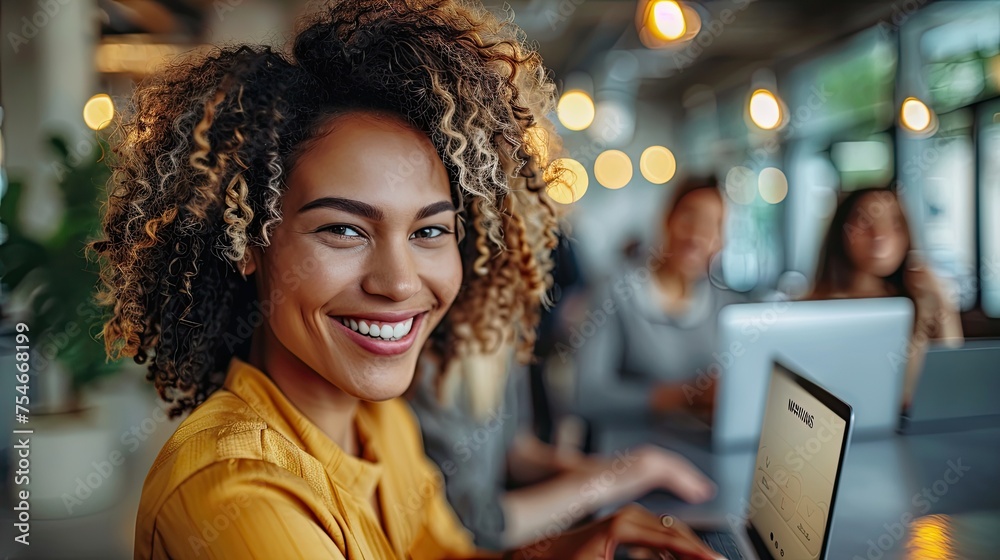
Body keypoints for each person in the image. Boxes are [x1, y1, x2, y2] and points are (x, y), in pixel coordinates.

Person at [89, 0, 725, 558]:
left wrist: (563, 549)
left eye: (428, 232)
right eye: (343, 229)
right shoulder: (234, 489)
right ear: (249, 241)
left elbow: (444, 555)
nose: (398, 283)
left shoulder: (378, 422)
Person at [409, 337, 717, 550]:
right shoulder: (433, 370)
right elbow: (475, 527)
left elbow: (516, 452)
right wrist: (608, 482)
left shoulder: (502, 335)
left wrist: (615, 470)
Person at [573, 177, 746, 428]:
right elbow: (586, 396)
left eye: (712, 226)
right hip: (627, 451)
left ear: (721, 242)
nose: (697, 235)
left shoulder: (726, 307)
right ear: (667, 220)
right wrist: (683, 396)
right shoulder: (615, 291)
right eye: (689, 218)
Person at [810, 187, 963, 407]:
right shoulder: (812, 308)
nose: (880, 234)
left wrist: (943, 301)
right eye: (865, 222)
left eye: (895, 223)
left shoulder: (920, 305)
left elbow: (953, 377)